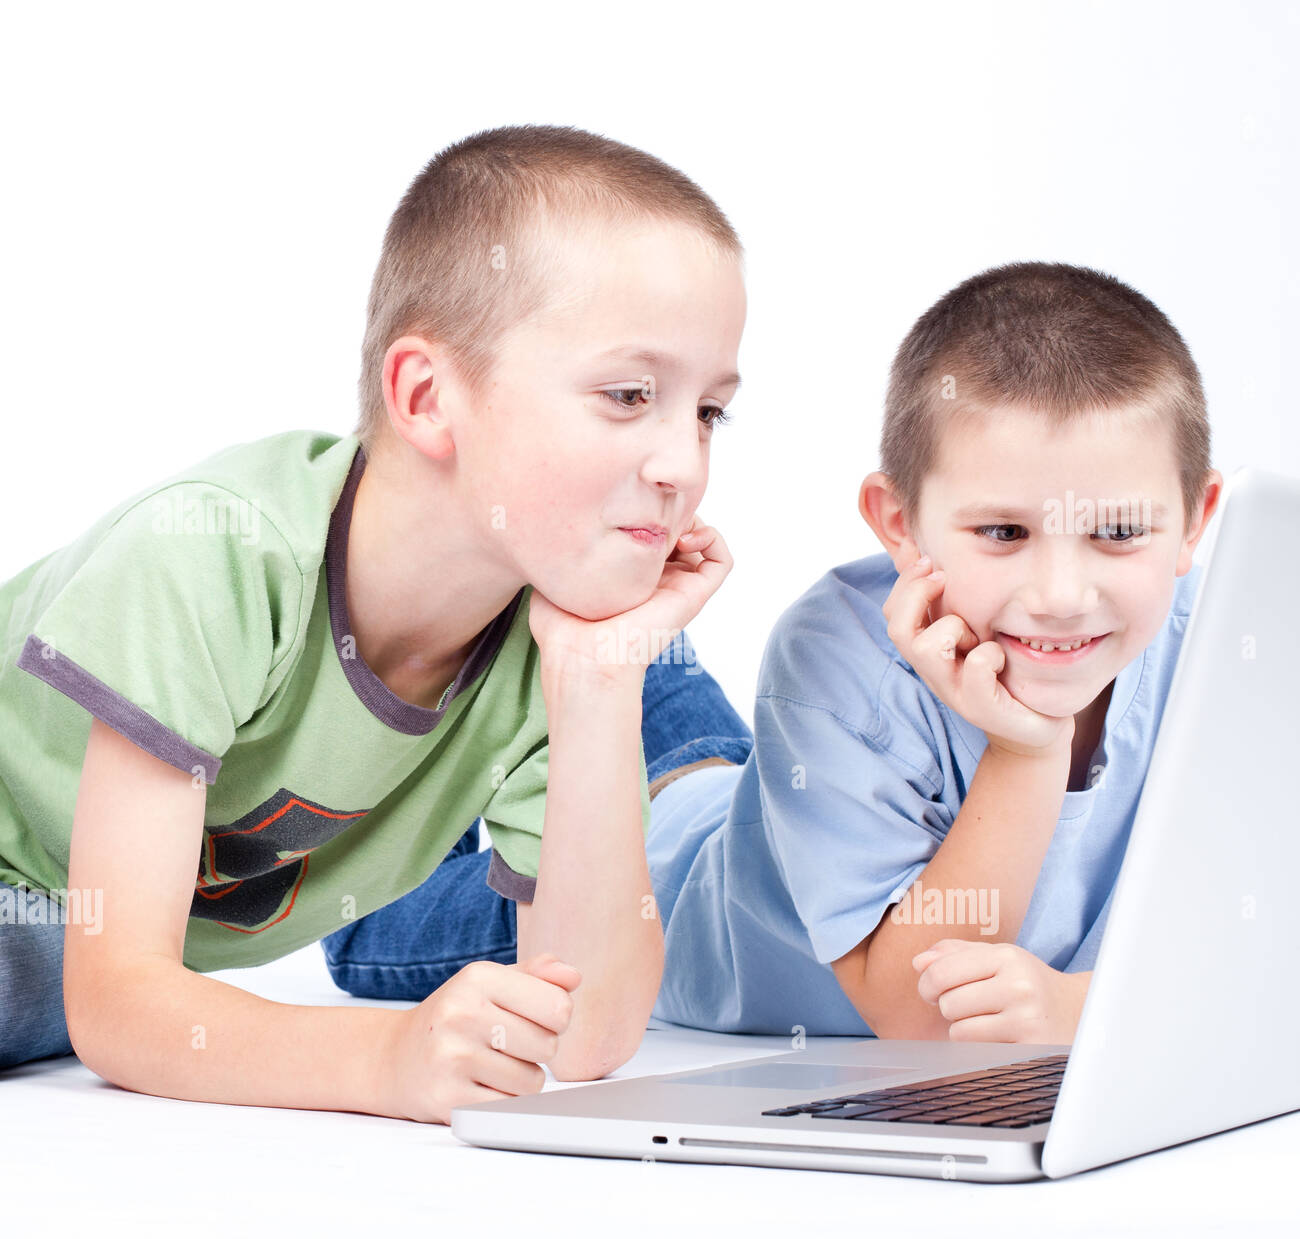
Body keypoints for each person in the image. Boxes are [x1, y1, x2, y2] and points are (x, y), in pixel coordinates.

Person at [0, 124, 746, 1125]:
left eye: (708, 412)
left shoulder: (548, 639)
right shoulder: (222, 554)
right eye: (629, 395)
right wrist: (383, 1057)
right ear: (428, 396)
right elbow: (120, 1001)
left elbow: (587, 1030)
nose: (682, 465)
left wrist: (602, 681)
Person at [331, 261, 1221, 1050]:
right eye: (1002, 531)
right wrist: (1030, 747)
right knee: (373, 930)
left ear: (1195, 520)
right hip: (658, 895)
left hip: (745, 796)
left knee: (700, 762)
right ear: (900, 526)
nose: (1062, 593)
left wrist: (1078, 1007)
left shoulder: (1221, 651)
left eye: (1116, 531)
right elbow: (919, 1017)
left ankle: (619, 665)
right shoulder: (838, 652)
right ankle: (466, 674)